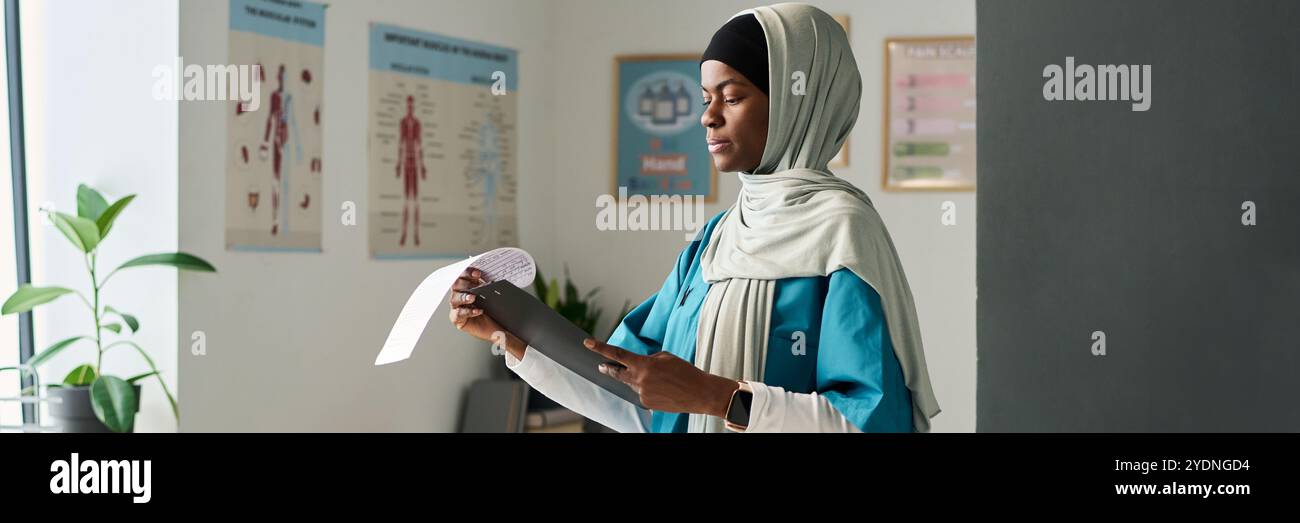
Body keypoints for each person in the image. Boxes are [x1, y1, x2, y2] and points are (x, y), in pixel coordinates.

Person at [449, 3, 940, 433]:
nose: (708, 117)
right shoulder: (715, 240)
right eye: (706, 99)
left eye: (732, 96)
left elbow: (870, 421)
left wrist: (717, 398)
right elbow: (634, 394)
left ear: (796, 103)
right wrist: (508, 338)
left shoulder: (842, 234)